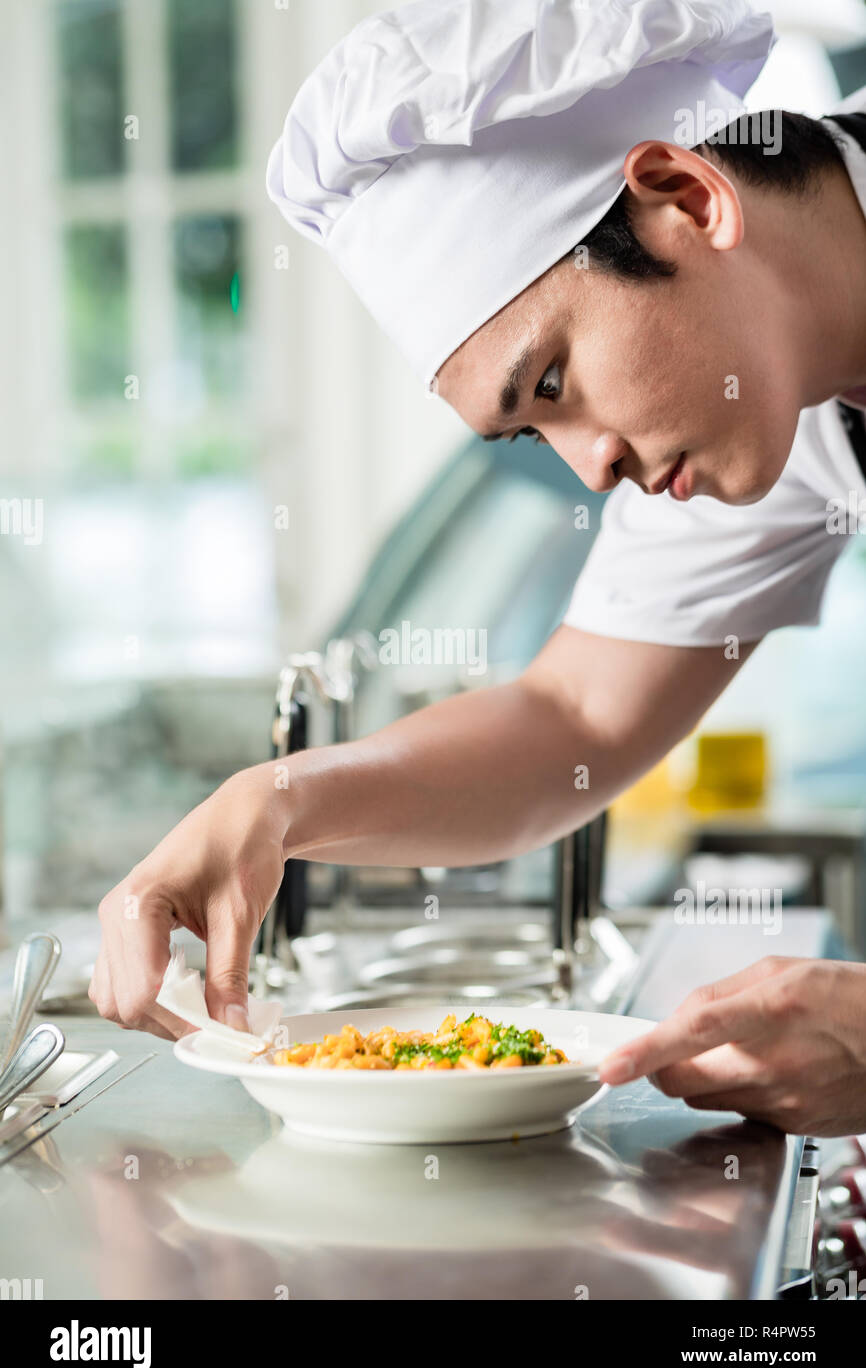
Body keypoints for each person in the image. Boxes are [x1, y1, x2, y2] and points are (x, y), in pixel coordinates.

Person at [90, 0, 866, 1136]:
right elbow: (573, 719)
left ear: (687, 200)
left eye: (550, 381)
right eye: (531, 434)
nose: (592, 469)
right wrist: (276, 800)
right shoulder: (765, 391)